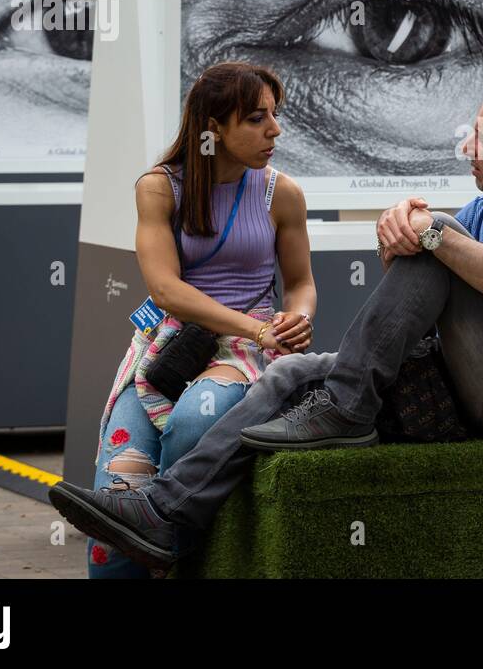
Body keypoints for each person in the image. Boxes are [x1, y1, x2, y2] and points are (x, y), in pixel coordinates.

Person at [48, 87, 483, 570]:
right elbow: (416, 296)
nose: (466, 147)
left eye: (480, 137)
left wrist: (431, 234)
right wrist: (394, 237)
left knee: (439, 233)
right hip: (464, 380)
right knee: (292, 372)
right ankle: (167, 513)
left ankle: (346, 406)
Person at [59, 61, 323, 578]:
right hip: (167, 346)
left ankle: (172, 549)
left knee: (192, 423)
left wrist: (297, 317)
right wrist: (258, 328)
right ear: (213, 129)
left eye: (275, 114)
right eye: (255, 119)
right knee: (116, 495)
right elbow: (164, 289)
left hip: (245, 351)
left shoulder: (281, 193)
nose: (275, 130)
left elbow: (300, 282)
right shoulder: (159, 188)